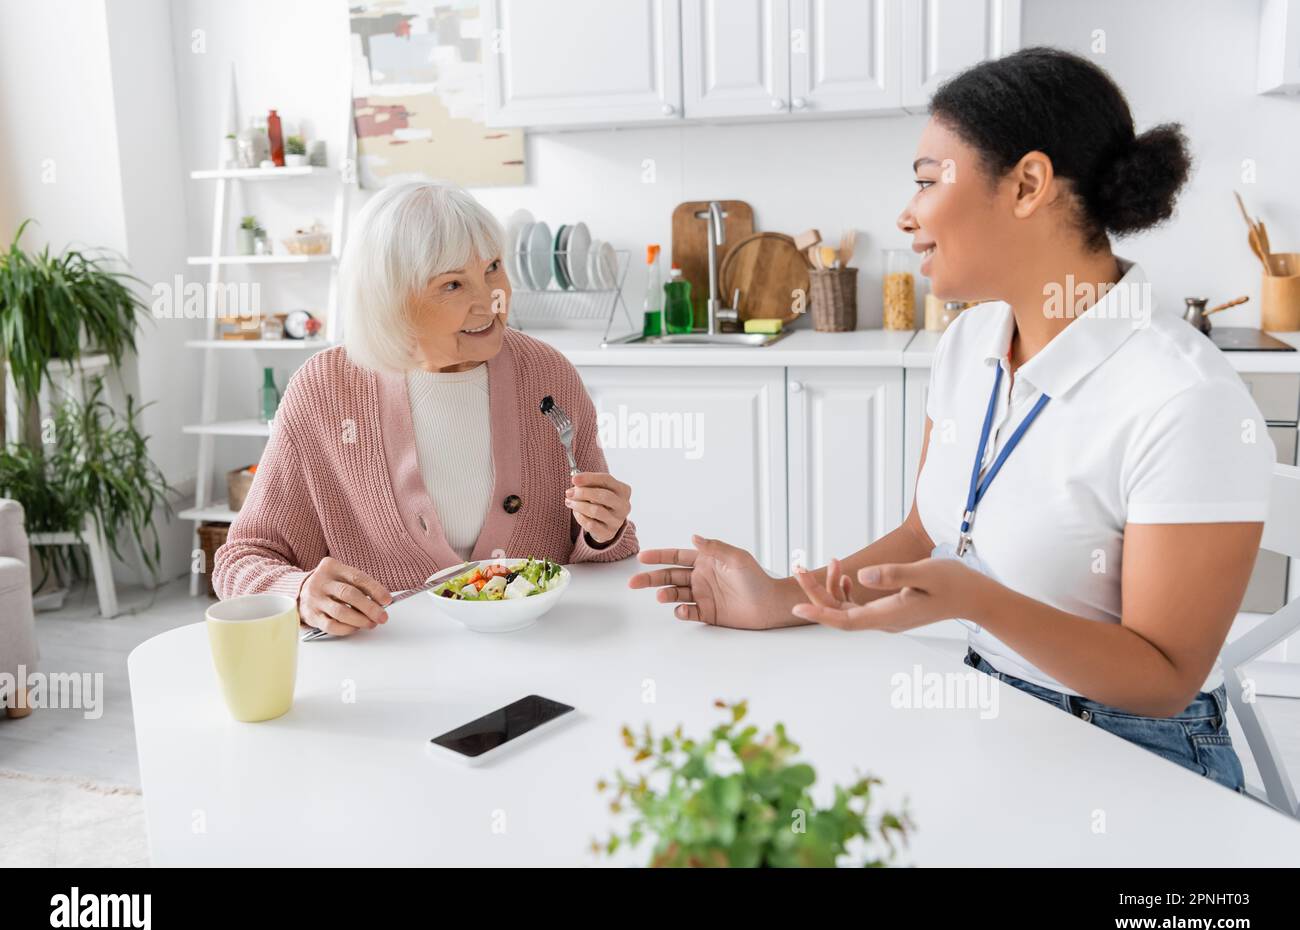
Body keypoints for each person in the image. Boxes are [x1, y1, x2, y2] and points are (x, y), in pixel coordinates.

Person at [630, 48, 1273, 791]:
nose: (906, 214)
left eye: (929, 181)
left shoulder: (1184, 399)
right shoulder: (969, 340)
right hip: (990, 703)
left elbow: (1163, 679)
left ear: (1028, 184)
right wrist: (782, 596)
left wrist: (979, 601)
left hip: (1142, 752)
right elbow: (925, 531)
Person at [215, 182, 636, 635]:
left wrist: (604, 530)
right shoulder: (324, 391)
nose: (491, 300)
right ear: (390, 302)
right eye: (452, 284)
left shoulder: (547, 374)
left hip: (539, 652)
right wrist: (298, 592)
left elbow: (606, 549)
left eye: (493, 267)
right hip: (395, 673)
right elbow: (241, 559)